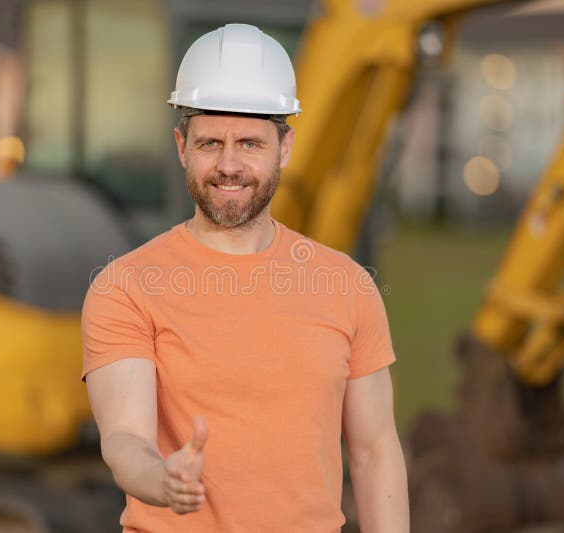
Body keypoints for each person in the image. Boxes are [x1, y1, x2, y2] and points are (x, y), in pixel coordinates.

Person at [82, 23, 409, 533]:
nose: (229, 165)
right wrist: (161, 479)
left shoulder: (347, 285)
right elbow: (125, 440)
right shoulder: (124, 288)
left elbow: (375, 451)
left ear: (284, 148)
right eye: (211, 142)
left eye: (250, 144)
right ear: (181, 147)